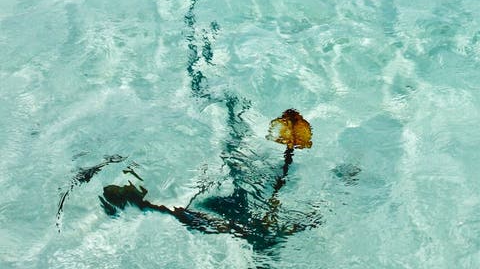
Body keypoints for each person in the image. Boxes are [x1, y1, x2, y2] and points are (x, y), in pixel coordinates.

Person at [100, 105, 318, 253]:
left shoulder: (262, 228)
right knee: (186, 213)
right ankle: (136, 201)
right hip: (240, 210)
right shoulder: (261, 229)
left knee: (189, 211)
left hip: (237, 207)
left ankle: (136, 201)